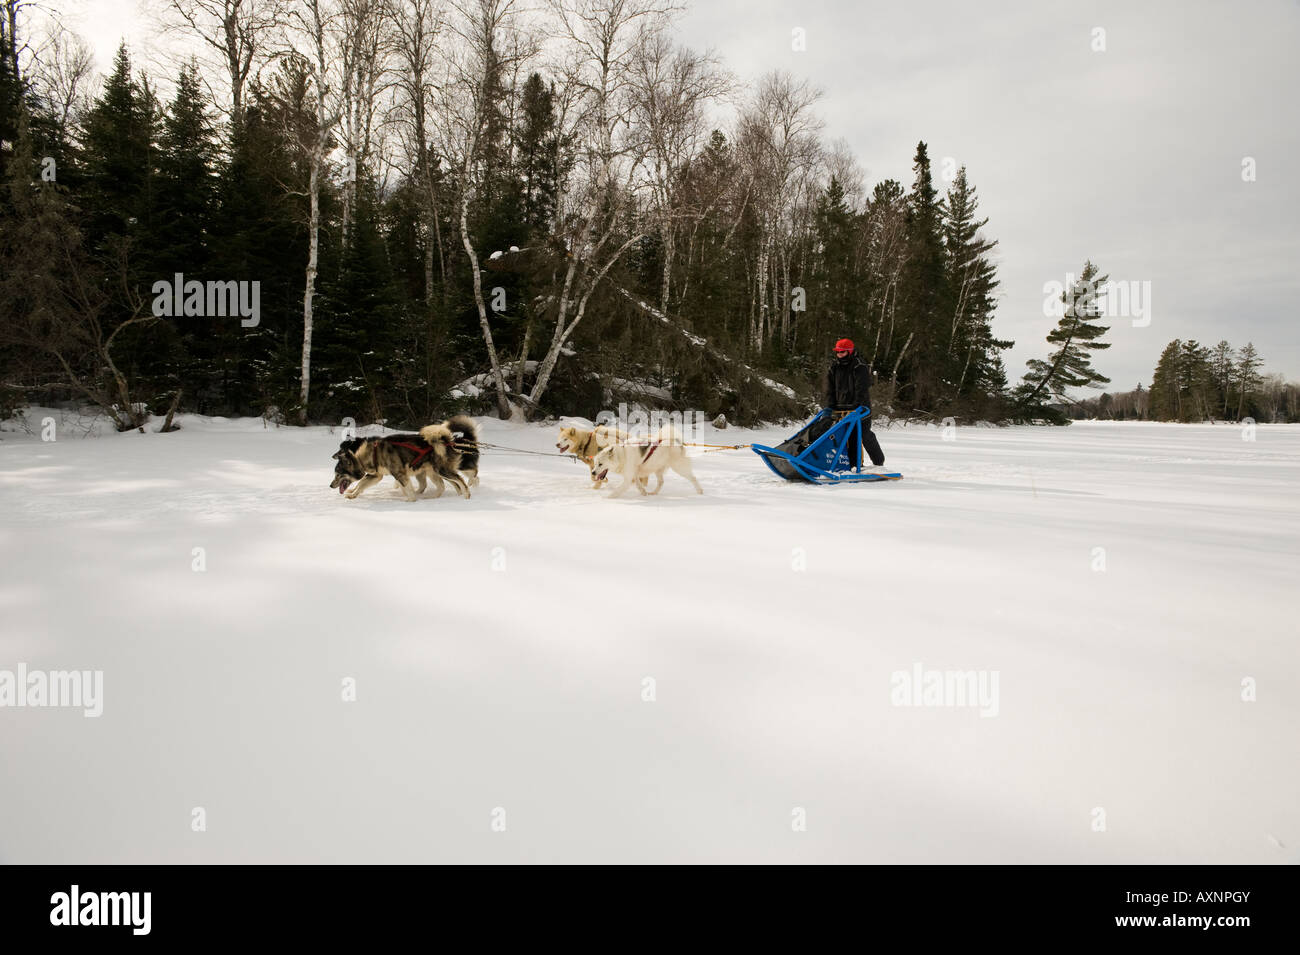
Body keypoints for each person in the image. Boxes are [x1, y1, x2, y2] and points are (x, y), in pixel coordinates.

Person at [822, 338, 885, 468]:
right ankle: (852, 464)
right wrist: (829, 407)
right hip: (840, 408)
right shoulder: (834, 366)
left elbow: (861, 388)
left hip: (860, 408)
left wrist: (858, 406)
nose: (839, 354)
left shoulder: (859, 365)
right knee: (844, 437)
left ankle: (879, 462)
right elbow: (830, 389)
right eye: (837, 352)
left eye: (842, 352)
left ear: (850, 351)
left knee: (863, 434)